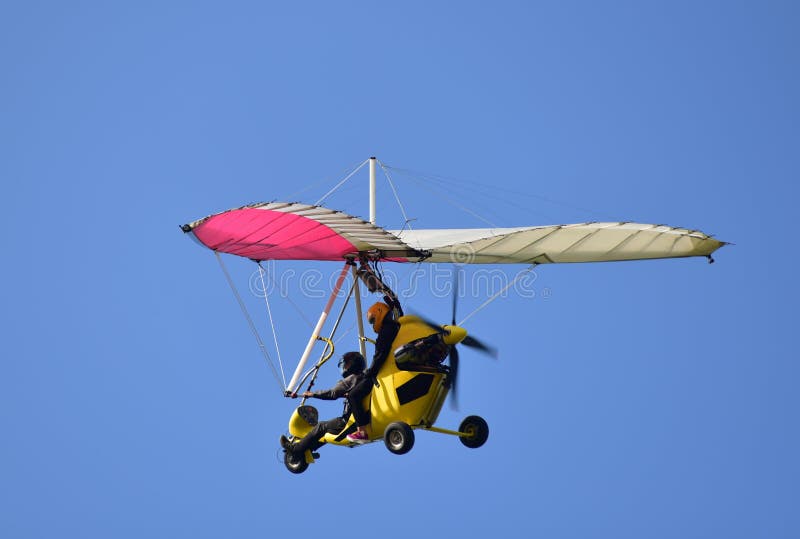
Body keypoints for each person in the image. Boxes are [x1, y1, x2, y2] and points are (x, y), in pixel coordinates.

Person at [280, 351, 366, 457]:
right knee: (327, 430)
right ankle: (307, 449)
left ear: (352, 364)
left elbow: (332, 393)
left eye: (346, 364)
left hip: (349, 421)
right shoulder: (364, 378)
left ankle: (296, 449)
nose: (344, 367)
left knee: (321, 426)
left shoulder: (352, 378)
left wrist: (313, 394)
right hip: (363, 417)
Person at [346, 301, 401, 442]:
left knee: (353, 395)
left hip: (382, 372)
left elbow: (380, 355)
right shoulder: (397, 326)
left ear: (379, 313)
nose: (372, 325)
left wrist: (369, 372)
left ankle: (362, 431)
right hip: (392, 369)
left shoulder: (386, 330)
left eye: (372, 321)